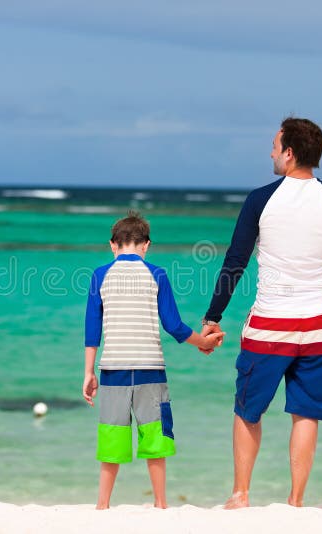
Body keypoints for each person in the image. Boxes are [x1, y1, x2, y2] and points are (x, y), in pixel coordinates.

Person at [200, 117, 322, 508]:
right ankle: (295, 501)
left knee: (248, 410)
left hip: (269, 327)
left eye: (275, 146)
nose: (270, 153)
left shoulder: (261, 199)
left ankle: (241, 494)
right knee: (306, 413)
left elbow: (235, 262)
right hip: (319, 329)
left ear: (289, 153)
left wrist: (213, 318)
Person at [83, 211, 224, 510]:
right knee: (155, 437)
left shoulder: (100, 275)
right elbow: (173, 325)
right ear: (146, 245)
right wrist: (203, 343)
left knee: (112, 437)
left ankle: (102, 505)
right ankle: (161, 503)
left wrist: (88, 372)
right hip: (151, 369)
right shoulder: (157, 274)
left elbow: (91, 328)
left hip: (113, 370)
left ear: (113, 244)